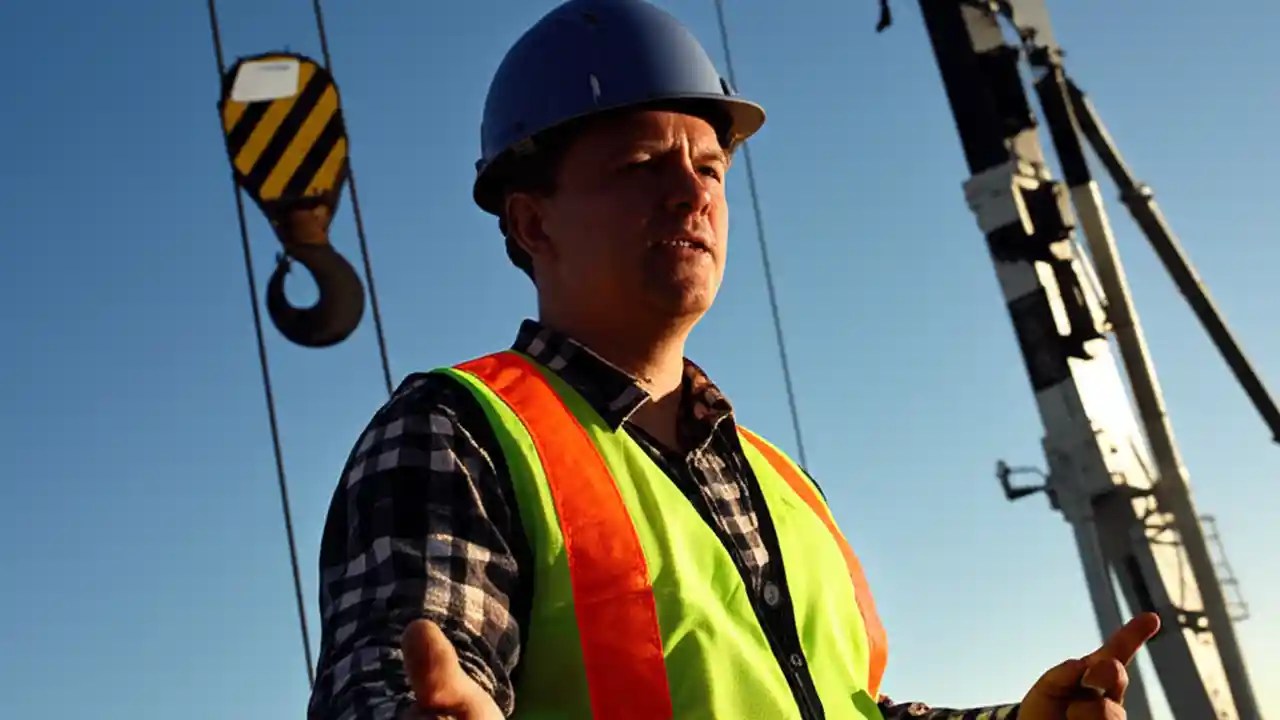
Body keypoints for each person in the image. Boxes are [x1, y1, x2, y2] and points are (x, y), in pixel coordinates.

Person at [306, 1, 1160, 718]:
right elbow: (398, 674)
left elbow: (845, 706)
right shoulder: (458, 432)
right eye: (644, 164)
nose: (693, 193)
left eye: (710, 167)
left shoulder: (784, 484)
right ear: (533, 223)